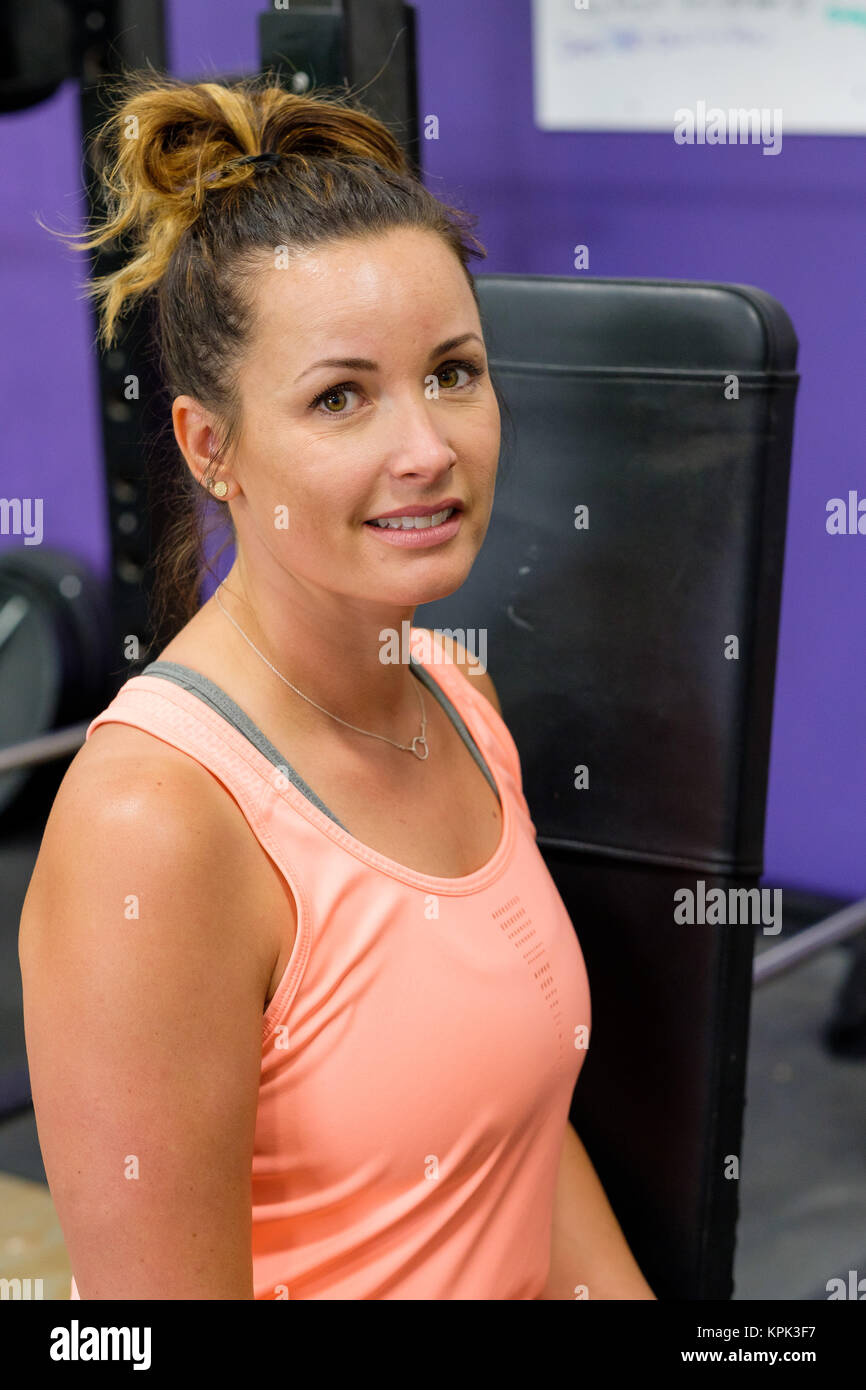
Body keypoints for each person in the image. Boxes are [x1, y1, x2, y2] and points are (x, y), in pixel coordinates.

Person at [18, 72, 656, 1300]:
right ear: (213, 449)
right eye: (340, 396)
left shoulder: (455, 697)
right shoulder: (155, 827)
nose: (426, 447)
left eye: (452, 372)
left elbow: (517, 1145)